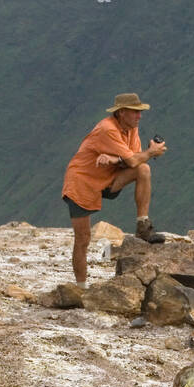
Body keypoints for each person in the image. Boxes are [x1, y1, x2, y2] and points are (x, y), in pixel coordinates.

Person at [61, 92, 169, 285]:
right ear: (121, 113)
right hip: (82, 182)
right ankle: (80, 288)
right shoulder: (107, 129)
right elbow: (134, 158)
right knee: (83, 238)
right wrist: (151, 151)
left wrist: (117, 159)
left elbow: (133, 160)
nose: (139, 116)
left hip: (107, 176)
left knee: (143, 169)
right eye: (135, 112)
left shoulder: (131, 128)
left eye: (139, 111)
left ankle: (143, 226)